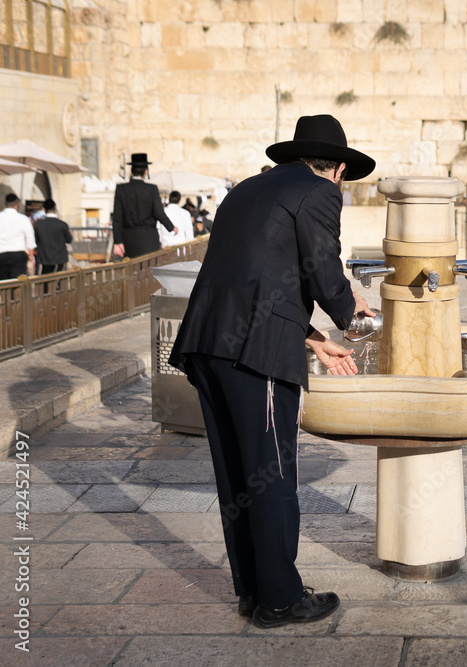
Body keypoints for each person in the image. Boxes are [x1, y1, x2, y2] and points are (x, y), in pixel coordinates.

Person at [168, 114, 377, 629]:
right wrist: (355, 315)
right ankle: (282, 600)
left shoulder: (246, 190)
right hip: (253, 352)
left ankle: (254, 592)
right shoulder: (320, 193)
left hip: (207, 343)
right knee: (272, 474)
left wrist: (313, 339)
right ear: (340, 170)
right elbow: (324, 267)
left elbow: (256, 275)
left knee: (238, 475)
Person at [112, 153, 174, 258]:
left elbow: (117, 218)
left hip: (128, 240)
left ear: (131, 171)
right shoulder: (152, 189)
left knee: (132, 271)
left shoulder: (121, 189)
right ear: (146, 171)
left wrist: (117, 242)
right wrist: (171, 227)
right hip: (149, 240)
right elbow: (159, 213)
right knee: (148, 271)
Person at [0, 193, 36, 279]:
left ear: (5, 204)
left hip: (2, 254)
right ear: (17, 204)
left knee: (3, 283)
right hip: (18, 255)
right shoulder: (23, 218)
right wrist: (31, 256)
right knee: (18, 283)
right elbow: (30, 239)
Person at [33, 198, 73, 274]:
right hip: (60, 258)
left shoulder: (38, 225)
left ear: (44, 209)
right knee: (60, 279)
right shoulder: (62, 224)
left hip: (45, 257)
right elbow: (69, 240)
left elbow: (35, 241)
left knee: (46, 279)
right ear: (55, 207)